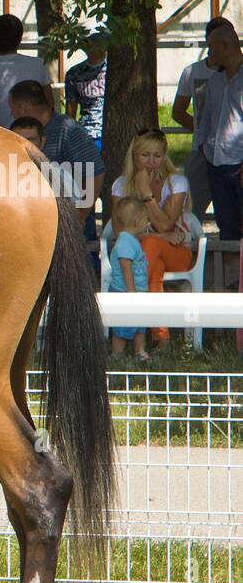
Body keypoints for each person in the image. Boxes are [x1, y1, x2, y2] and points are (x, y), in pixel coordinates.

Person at [108, 128, 198, 350]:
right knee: (152, 265)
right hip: (138, 258)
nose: (151, 161)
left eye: (157, 155)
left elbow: (165, 224)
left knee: (148, 246)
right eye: (145, 155)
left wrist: (146, 193)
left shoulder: (176, 182)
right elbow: (120, 230)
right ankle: (161, 338)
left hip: (176, 252)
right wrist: (160, 236)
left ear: (165, 155)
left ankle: (127, 324)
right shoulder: (120, 185)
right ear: (134, 156)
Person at [9, 79, 105, 243]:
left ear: (23, 108)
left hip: (72, 223)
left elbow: (95, 171)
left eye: (13, 110)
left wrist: (81, 214)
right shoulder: (19, 131)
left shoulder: (68, 129)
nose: (12, 114)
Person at [171, 17, 234, 220]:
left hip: (234, 153)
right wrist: (201, 135)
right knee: (190, 210)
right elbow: (178, 111)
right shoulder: (193, 72)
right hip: (201, 152)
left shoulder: (236, 74)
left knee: (230, 213)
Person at [193, 21, 243, 251]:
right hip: (216, 163)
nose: (209, 53)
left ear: (225, 47)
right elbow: (206, 118)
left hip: (239, 162)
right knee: (226, 225)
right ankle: (232, 280)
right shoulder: (214, 81)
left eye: (211, 47)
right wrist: (202, 146)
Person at [0, 14, 53, 128]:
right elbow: (49, 103)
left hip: (3, 135)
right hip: (36, 134)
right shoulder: (38, 64)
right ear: (20, 38)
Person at [106, 196, 151, 362]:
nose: (148, 222)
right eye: (146, 219)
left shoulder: (131, 240)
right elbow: (126, 267)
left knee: (140, 324)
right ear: (138, 220)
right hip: (124, 292)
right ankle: (117, 353)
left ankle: (140, 351)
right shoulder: (126, 242)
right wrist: (132, 292)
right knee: (122, 325)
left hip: (136, 292)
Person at [65, 25, 108, 150]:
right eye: (87, 41)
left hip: (110, 132)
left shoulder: (114, 71)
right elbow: (70, 109)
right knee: (86, 169)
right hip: (85, 134)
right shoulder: (74, 73)